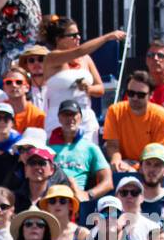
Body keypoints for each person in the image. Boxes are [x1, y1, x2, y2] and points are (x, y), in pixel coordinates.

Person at [39, 17, 123, 145]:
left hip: (85, 120)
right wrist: (107, 37)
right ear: (58, 39)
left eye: (79, 34)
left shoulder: (86, 59)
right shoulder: (51, 58)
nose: (78, 38)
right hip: (58, 119)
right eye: (73, 35)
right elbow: (79, 51)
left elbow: (100, 88)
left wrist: (88, 89)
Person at [103, 70, 164, 170]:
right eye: (131, 93)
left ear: (151, 95)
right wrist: (117, 161)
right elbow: (112, 146)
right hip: (124, 161)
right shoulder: (115, 111)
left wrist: (136, 168)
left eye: (141, 95)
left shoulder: (162, 116)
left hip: (152, 163)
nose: (135, 98)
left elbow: (161, 153)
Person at [50, 100, 111, 201]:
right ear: (59, 118)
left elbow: (108, 181)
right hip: (51, 197)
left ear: (80, 117)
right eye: (65, 115)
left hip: (76, 199)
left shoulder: (90, 147)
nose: (70, 118)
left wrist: (89, 194)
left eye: (73, 114)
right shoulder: (48, 146)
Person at [0, 66, 45, 133]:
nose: (14, 85)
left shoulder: (38, 116)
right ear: (4, 88)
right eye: (9, 82)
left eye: (19, 82)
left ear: (27, 87)